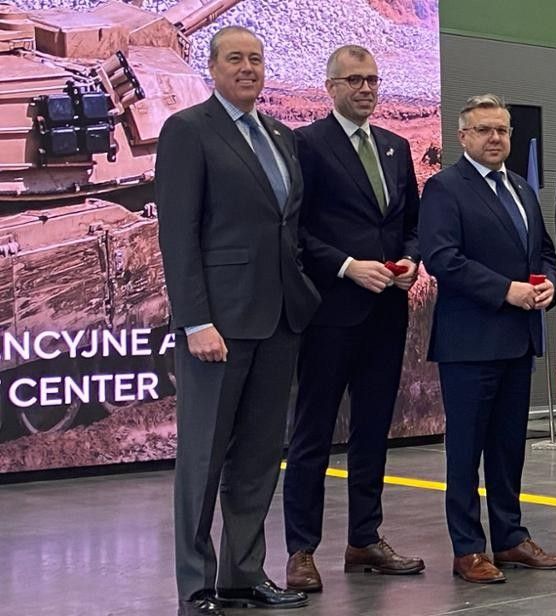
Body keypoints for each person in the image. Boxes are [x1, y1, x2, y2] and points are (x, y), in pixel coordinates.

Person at [157, 26, 318, 616]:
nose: (248, 68)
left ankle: (244, 576)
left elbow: (286, 226)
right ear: (213, 67)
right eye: (235, 59)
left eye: (255, 59)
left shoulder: (279, 134)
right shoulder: (188, 130)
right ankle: (196, 586)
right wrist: (195, 320)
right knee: (203, 458)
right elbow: (178, 234)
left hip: (278, 321)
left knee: (256, 457)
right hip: (217, 327)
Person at [282, 44, 423, 594]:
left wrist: (411, 259)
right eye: (355, 80)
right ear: (331, 86)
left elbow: (409, 220)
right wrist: (346, 267)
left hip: (387, 311)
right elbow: (296, 229)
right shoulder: (306, 145)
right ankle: (300, 550)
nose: (366, 89)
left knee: (372, 431)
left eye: (373, 80)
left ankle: (365, 538)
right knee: (312, 433)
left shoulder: (395, 146)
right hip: (329, 313)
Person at [420, 94, 556, 583]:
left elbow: (544, 251)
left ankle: (509, 540)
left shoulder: (524, 189)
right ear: (463, 136)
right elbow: (442, 258)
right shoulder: (445, 188)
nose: (495, 138)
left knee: (509, 449)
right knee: (465, 451)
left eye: (502, 130)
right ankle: (468, 549)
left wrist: (546, 281)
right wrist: (505, 290)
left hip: (517, 339)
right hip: (469, 343)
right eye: (484, 130)